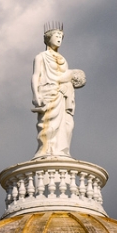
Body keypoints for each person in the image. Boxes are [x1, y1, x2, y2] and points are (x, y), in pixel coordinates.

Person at [31, 26, 85, 159]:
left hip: (62, 94)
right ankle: (46, 150)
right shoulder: (41, 57)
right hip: (48, 92)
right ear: (48, 38)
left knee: (66, 124)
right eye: (57, 36)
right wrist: (36, 96)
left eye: (61, 37)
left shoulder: (63, 59)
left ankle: (62, 150)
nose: (59, 39)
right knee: (47, 123)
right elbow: (35, 76)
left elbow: (66, 76)